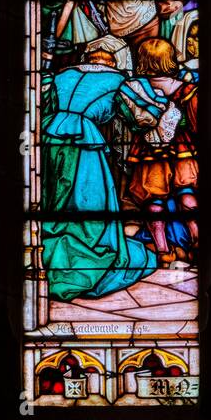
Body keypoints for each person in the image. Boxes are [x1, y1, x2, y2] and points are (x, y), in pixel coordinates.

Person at [41, 42, 167, 301]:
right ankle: (84, 260)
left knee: (54, 203)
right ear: (110, 62)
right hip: (84, 143)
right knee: (90, 202)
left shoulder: (61, 75)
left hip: (50, 139)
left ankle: (53, 254)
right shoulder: (117, 79)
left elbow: (43, 103)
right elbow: (144, 116)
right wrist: (164, 107)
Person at [124, 38, 198, 264]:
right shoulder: (187, 90)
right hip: (182, 152)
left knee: (153, 203)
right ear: (170, 60)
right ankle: (197, 240)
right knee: (187, 195)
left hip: (149, 154)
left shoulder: (134, 89)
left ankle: (163, 251)